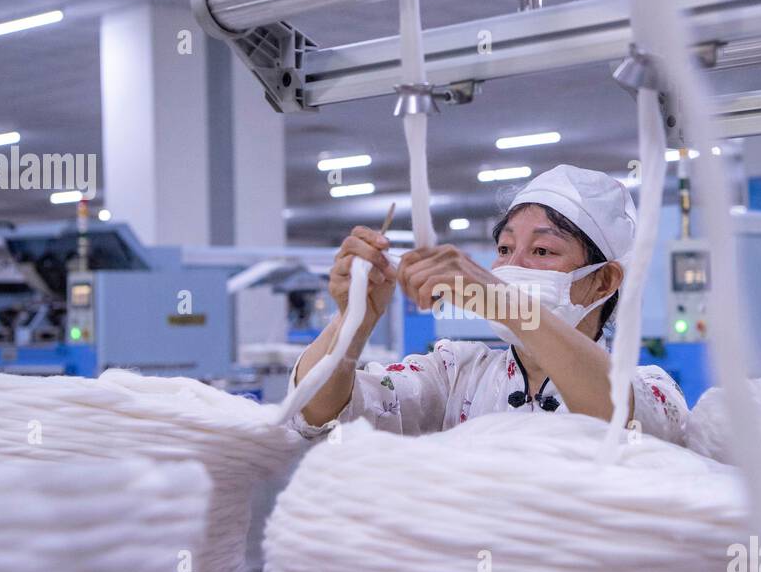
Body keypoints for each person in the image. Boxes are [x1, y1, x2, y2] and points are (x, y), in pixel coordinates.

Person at [289, 164, 687, 443]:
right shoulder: (455, 374)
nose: (511, 266)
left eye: (543, 250)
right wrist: (354, 319)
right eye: (504, 248)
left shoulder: (654, 390)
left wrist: (503, 303)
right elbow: (315, 413)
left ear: (603, 282)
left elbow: (617, 416)